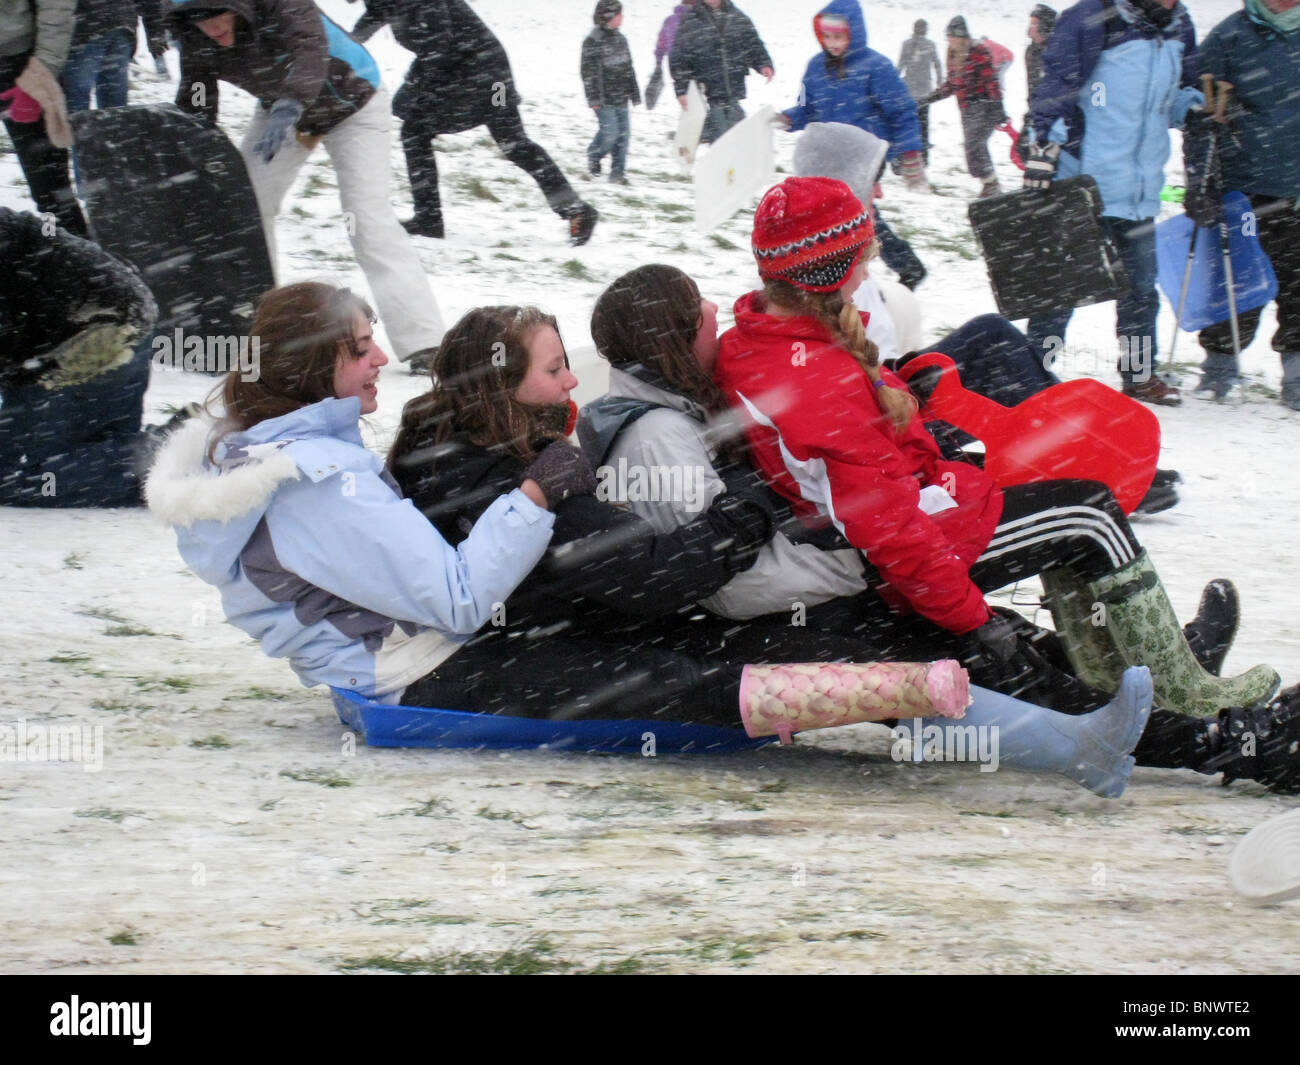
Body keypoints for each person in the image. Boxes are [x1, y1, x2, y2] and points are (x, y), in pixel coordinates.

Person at [577, 262, 1300, 793]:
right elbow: (719, 573)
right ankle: (1231, 741)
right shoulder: (656, 437)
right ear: (670, 338)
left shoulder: (673, 408)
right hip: (804, 610)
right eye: (704, 322)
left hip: (826, 585)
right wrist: (836, 540)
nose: (721, 327)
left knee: (1008, 650)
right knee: (999, 668)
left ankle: (1199, 704)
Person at [384, 301, 1155, 795]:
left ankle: (1094, 716)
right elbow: (647, 575)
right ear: (502, 386)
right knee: (856, 661)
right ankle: (1082, 738)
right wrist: (750, 514)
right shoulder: (529, 477)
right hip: (608, 648)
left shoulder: (495, 451)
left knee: (876, 643)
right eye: (553, 371)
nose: (568, 387)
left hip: (623, 627)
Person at [715, 176, 1281, 720]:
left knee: (1058, 490)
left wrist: (899, 389)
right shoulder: (819, 378)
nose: (868, 270)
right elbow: (885, 527)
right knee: (1089, 512)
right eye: (863, 257)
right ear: (831, 271)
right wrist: (971, 619)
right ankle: (1182, 691)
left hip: (916, 510)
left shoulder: (757, 338)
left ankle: (1133, 670)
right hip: (892, 558)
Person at [146, 282, 574, 704]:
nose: (382, 359)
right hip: (412, 670)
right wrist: (535, 494)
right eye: (361, 348)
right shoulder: (315, 481)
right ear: (309, 363)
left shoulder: (257, 448)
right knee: (638, 672)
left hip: (392, 660)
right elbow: (458, 600)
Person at [167, 0, 445, 365]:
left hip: (353, 101)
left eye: (216, 12)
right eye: (197, 19)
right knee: (245, 210)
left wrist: (291, 104)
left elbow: (311, 50)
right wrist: (192, 144)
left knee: (366, 218)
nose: (210, 26)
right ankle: (260, 330)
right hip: (283, 113)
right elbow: (198, 93)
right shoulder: (195, 34)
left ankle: (425, 341)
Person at [1023, 0, 1201, 407]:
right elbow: (1056, 87)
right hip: (1083, 181)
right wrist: (1043, 144)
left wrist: (1194, 110)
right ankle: (1034, 373)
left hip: (1139, 190)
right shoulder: (1092, 18)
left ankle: (1140, 375)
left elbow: (1176, 98)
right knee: (1062, 291)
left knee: (1140, 291)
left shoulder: (1179, 26)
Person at [349, 0, 598, 247]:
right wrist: (345, 48)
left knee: (505, 142)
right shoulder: (386, 2)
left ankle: (429, 218)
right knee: (508, 142)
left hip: (487, 78)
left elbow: (438, 42)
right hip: (473, 72)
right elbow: (373, 18)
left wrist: (419, 88)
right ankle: (576, 209)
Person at [1183, 0, 1300, 409]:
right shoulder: (1230, 37)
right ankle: (1219, 370)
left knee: (1299, 287)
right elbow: (1199, 117)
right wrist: (1199, 182)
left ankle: (1297, 380)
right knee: (1236, 285)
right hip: (1243, 186)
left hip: (1297, 189)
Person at [1, 206, 158, 507]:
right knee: (92, 447)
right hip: (120, 314)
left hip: (99, 333)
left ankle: (156, 457)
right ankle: (136, 456)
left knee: (19, 476)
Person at [1, 0, 85, 235]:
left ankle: (69, 255)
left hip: (18, 65)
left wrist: (41, 73)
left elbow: (56, 7)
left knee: (50, 190)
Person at [919, 16, 1008, 198]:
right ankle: (988, 183)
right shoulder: (953, 54)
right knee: (971, 148)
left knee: (975, 145)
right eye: (948, 37)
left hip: (984, 105)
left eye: (952, 36)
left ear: (961, 36)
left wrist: (998, 107)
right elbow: (952, 84)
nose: (949, 40)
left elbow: (991, 81)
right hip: (966, 109)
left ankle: (992, 184)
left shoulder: (978, 51)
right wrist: (928, 98)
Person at [669, 0, 772, 144]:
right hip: (708, 93)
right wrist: (682, 89)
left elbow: (753, 44)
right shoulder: (690, 22)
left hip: (734, 91)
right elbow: (679, 58)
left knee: (738, 137)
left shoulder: (737, 16)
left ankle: (724, 156)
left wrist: (764, 64)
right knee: (724, 139)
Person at [62, 0, 168, 114]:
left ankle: (77, 128)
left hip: (85, 26)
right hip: (119, 23)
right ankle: (111, 127)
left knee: (77, 99)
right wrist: (155, 29)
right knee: (113, 99)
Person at [582, 0, 639, 185]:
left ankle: (617, 174)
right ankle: (594, 154)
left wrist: (634, 93)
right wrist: (594, 98)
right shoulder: (593, 40)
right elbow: (588, 73)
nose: (621, 18)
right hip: (604, 98)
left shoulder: (621, 39)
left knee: (623, 138)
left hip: (622, 97)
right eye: (618, 14)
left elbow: (629, 68)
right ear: (608, 16)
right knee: (610, 134)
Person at [897, 18, 941, 165]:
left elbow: (901, 64)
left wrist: (894, 82)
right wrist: (940, 81)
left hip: (909, 90)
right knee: (923, 124)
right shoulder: (930, 45)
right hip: (924, 92)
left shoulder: (907, 44)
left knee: (908, 123)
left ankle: (908, 154)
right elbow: (937, 65)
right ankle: (924, 157)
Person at [645, 0, 693, 109]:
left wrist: (658, 62)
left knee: (687, 101)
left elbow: (661, 45)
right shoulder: (698, 20)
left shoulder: (670, 21)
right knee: (697, 102)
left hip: (676, 67)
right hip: (695, 66)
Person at [1026, 4, 1057, 101]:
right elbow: (1032, 86)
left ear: (1045, 26)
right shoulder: (1031, 51)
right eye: (1030, 23)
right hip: (1039, 109)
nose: (1030, 28)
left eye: (1034, 23)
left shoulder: (1059, 51)